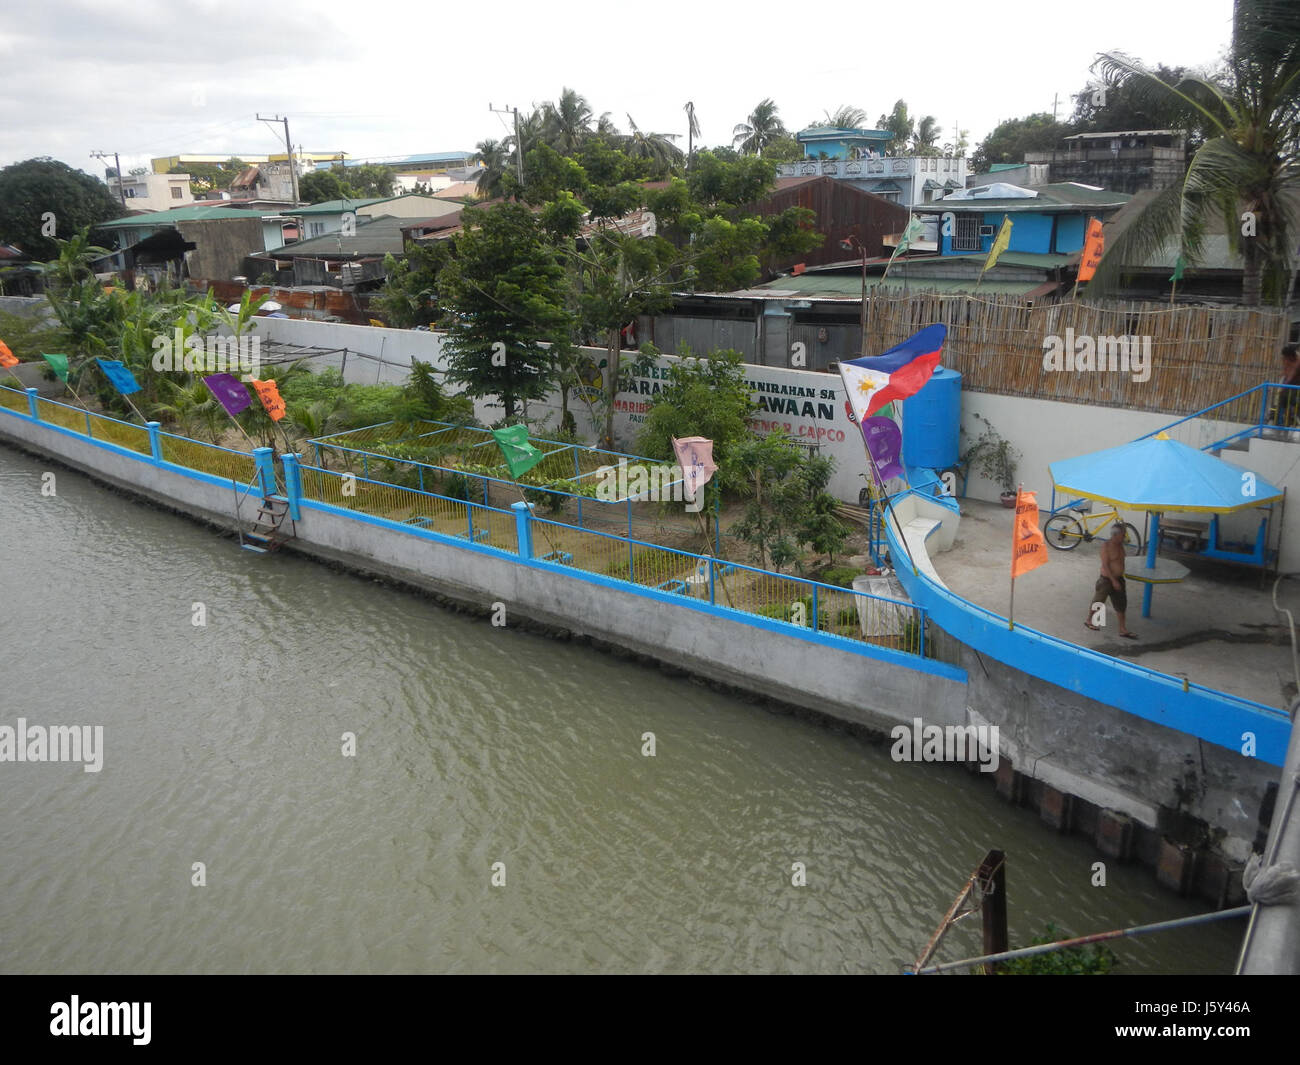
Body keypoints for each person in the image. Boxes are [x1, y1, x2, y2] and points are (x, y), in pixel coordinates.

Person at [1085, 524, 1137, 639]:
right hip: (1107, 580)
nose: (1124, 537)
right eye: (1123, 534)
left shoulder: (1120, 546)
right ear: (1115, 534)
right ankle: (1089, 620)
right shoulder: (1106, 546)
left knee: (1121, 604)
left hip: (1119, 579)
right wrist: (1113, 581)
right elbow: (1105, 565)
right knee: (1098, 601)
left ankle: (1122, 629)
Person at [1278, 343, 1300, 427]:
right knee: (1282, 398)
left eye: (1288, 358)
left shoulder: (1298, 360)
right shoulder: (1285, 357)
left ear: (1292, 356)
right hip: (1289, 381)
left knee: (1291, 398)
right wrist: (1283, 375)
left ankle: (1294, 417)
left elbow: (1292, 374)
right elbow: (1286, 370)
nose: (1285, 360)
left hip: (1297, 383)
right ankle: (1280, 420)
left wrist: (1283, 385)